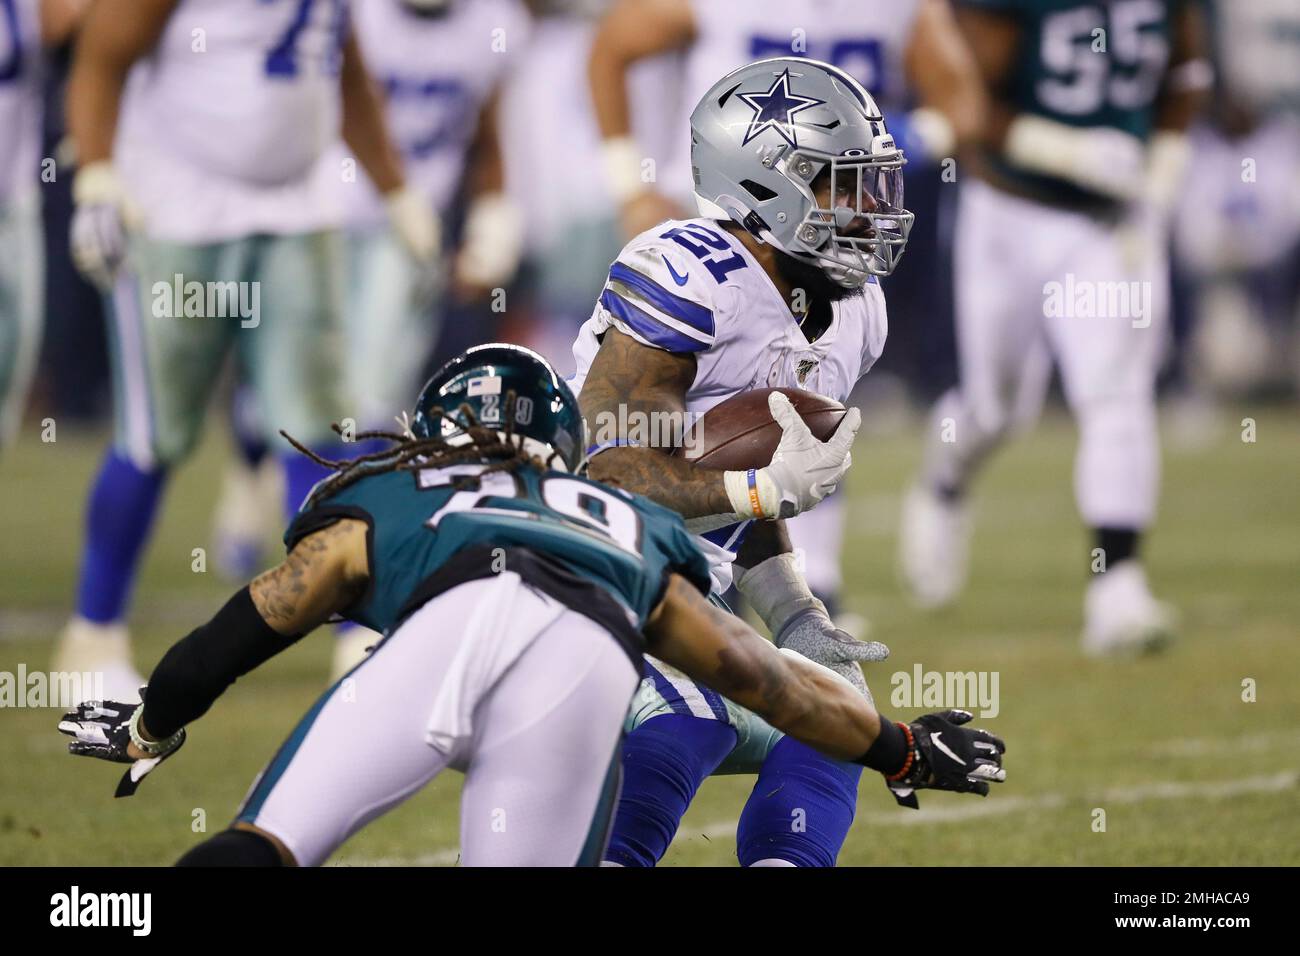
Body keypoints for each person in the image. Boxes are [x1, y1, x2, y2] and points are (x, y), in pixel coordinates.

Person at [58, 344, 1007, 866]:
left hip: (441, 639)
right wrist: (902, 747)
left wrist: (151, 726)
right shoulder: (623, 522)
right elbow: (758, 673)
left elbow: (230, 640)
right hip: (577, 668)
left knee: (262, 849)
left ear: (428, 438)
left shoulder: (392, 496)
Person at [570, 56, 913, 866]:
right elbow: (609, 469)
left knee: (839, 714)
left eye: (872, 183)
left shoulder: (857, 309)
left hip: (678, 592)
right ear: (760, 185)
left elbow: (736, 516)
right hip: (577, 580)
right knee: (689, 706)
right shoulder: (689, 272)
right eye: (838, 184)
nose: (867, 208)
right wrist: (756, 485)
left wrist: (797, 616)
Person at [898, 0, 1209, 656]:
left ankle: (1117, 587)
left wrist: (1162, 176)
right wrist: (1068, 150)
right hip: (1010, 213)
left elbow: (1184, 76)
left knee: (1116, 394)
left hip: (1109, 221)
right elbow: (968, 106)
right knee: (999, 406)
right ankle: (945, 483)